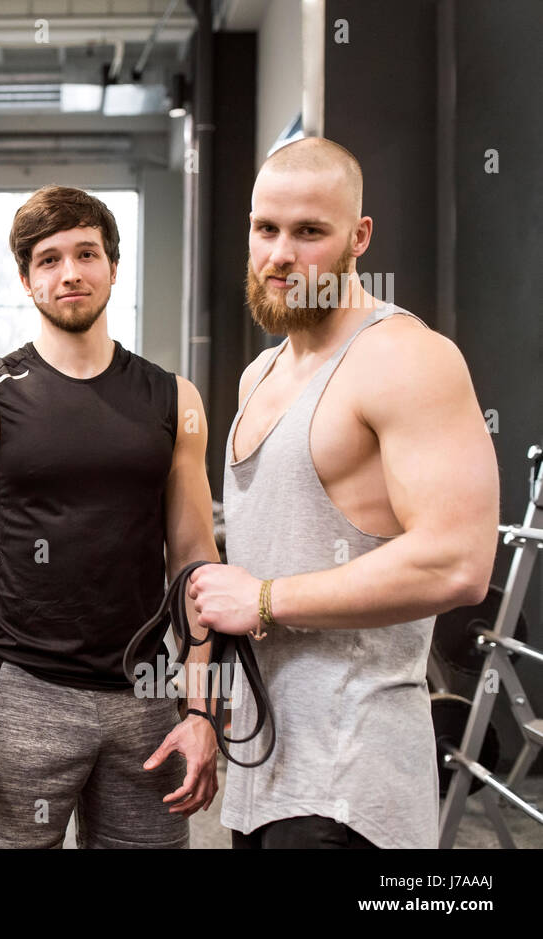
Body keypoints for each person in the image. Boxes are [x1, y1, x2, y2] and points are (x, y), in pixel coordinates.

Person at [188, 137, 499, 850]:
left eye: (309, 233)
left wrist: (264, 598)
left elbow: (458, 562)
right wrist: (205, 706)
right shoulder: (259, 374)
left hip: (349, 784)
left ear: (359, 237)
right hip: (263, 768)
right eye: (265, 229)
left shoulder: (404, 358)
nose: (279, 256)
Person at [0, 186, 221, 849]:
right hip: (27, 693)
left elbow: (197, 561)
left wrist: (201, 707)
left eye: (87, 253)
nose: (70, 273)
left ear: (113, 266)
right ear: (27, 279)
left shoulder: (174, 398)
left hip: (147, 696)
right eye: (49, 259)